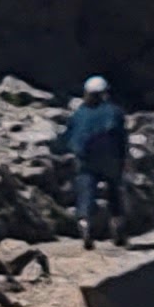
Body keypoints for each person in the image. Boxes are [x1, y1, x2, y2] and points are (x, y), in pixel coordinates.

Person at [58, 75, 131, 245]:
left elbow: (68, 138)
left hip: (86, 159)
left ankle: (84, 222)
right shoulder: (114, 111)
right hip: (111, 158)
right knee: (114, 190)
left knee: (86, 190)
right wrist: (125, 158)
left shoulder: (79, 114)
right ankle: (117, 224)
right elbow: (121, 137)